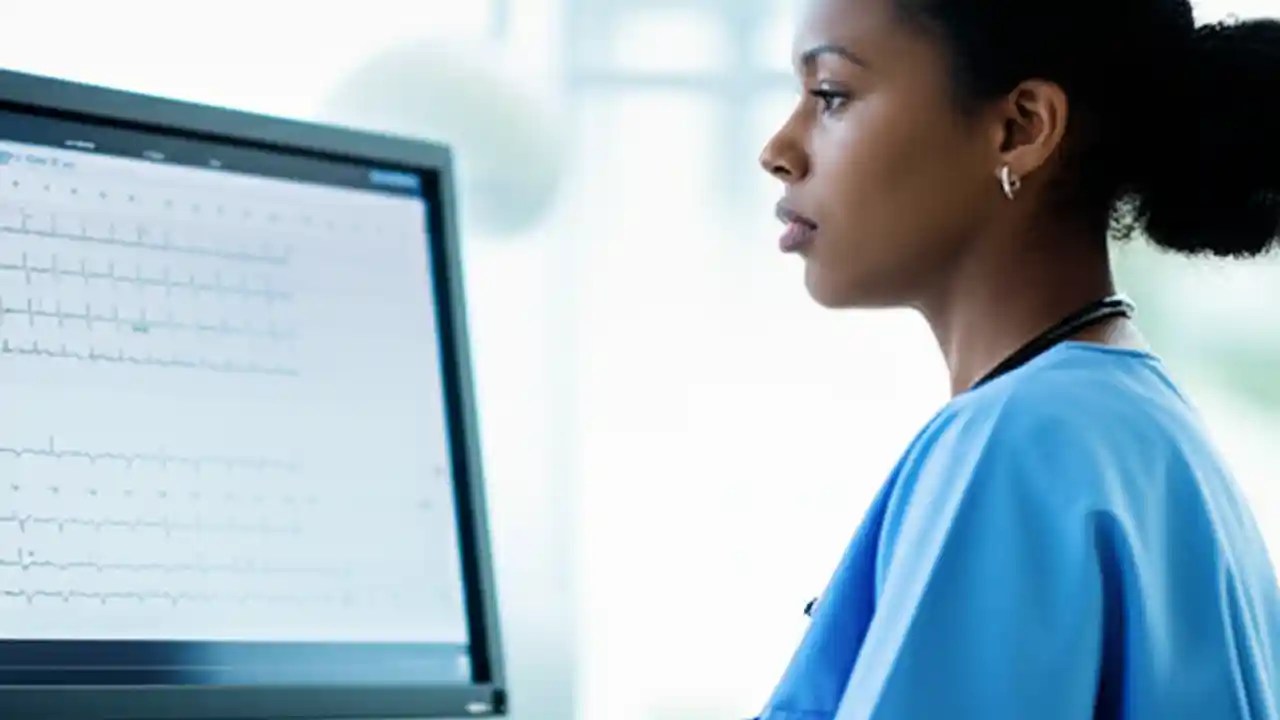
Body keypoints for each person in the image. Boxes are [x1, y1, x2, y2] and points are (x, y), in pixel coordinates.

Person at [754, 0, 1280, 718]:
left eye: (832, 96)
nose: (780, 149)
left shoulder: (1020, 444)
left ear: (1020, 127)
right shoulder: (1140, 436)